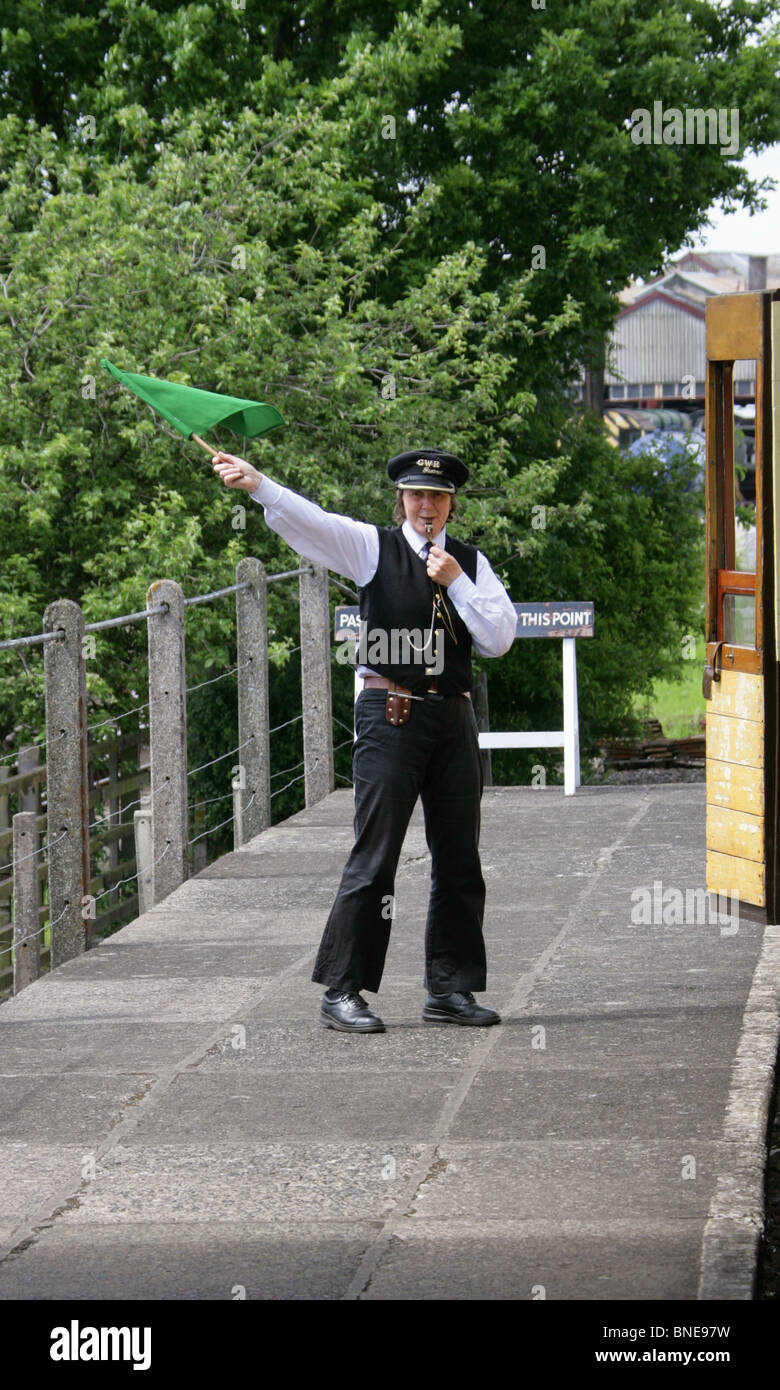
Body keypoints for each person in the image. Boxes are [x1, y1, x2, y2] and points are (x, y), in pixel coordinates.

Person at [212, 447, 517, 1033]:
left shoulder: (470, 563)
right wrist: (259, 486)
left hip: (453, 717)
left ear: (452, 503)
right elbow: (313, 524)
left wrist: (455, 582)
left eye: (437, 496)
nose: (426, 505)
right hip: (391, 710)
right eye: (415, 495)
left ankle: (450, 991)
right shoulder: (372, 546)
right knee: (375, 854)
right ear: (401, 499)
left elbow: (498, 638)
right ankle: (342, 988)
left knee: (459, 857)